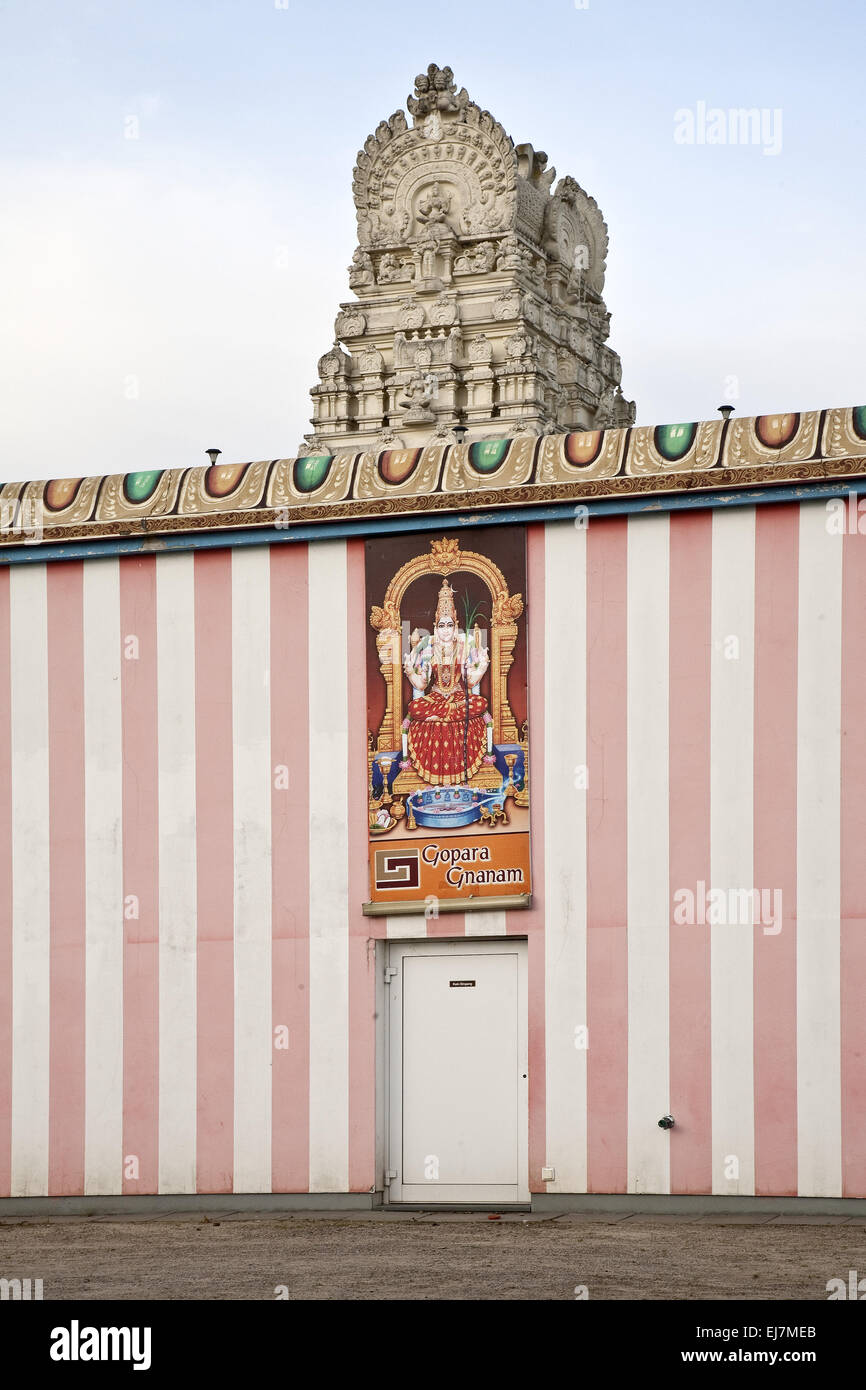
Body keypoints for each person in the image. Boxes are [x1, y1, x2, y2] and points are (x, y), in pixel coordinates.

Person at [402, 579, 489, 785]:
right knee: (415, 707)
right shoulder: (428, 648)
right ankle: (444, 715)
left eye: (450, 625)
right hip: (436, 696)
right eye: (441, 625)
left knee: (479, 703)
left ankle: (439, 716)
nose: (446, 630)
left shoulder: (464, 647)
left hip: (458, 696)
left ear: (456, 625)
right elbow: (422, 686)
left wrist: (482, 667)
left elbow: (469, 683)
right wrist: (409, 672)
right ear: (435, 626)